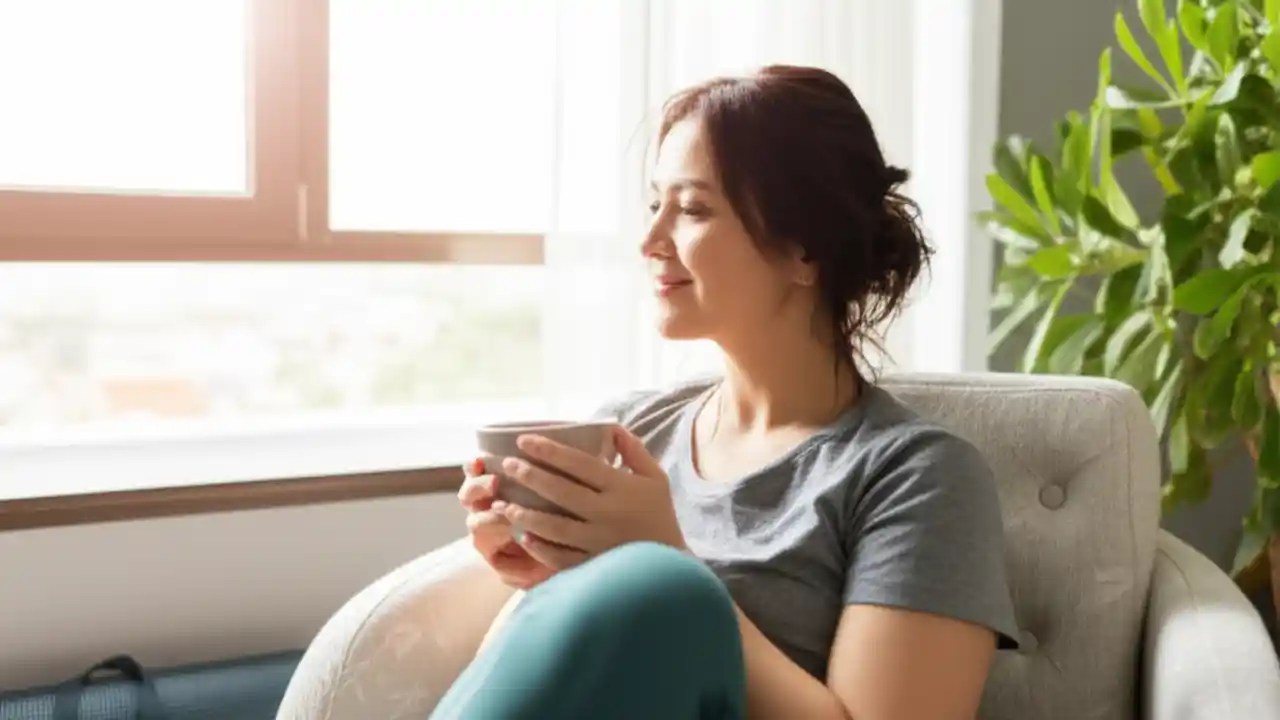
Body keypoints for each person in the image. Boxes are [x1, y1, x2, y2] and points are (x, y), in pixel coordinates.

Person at [434, 65, 1019, 720]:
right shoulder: (627, 432)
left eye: (692, 209)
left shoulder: (917, 476)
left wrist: (665, 560)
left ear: (804, 250)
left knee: (668, 588)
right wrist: (550, 578)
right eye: (654, 205)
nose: (650, 240)